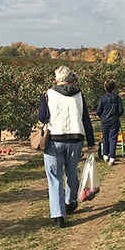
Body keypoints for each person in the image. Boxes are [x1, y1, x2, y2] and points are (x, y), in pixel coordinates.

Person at [38, 65, 95, 228]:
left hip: (55, 140)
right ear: (70, 79)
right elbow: (86, 120)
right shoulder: (79, 95)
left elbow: (42, 117)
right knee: (71, 172)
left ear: (56, 80)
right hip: (76, 139)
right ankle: (70, 202)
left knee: (54, 176)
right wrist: (91, 143)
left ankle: (58, 215)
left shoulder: (48, 94)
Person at [96, 79, 124, 165]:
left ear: (105, 88)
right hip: (114, 121)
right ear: (114, 87)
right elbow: (121, 110)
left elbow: (98, 111)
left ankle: (105, 155)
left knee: (105, 138)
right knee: (113, 138)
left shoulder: (102, 98)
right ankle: (112, 158)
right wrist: (116, 116)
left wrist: (102, 117)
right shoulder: (117, 98)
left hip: (105, 121)